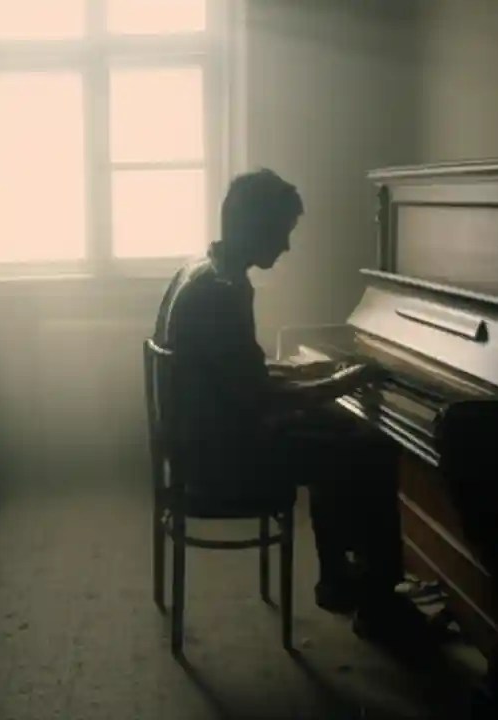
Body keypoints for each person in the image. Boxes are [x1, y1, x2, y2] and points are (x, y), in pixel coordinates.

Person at [153, 168, 425, 641]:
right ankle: (377, 601)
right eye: (281, 233)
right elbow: (259, 397)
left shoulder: (204, 272)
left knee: (337, 433)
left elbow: (236, 374)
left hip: (203, 437)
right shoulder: (221, 294)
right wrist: (345, 381)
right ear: (254, 228)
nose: (286, 246)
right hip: (220, 463)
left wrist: (311, 374)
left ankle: (339, 579)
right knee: (370, 450)